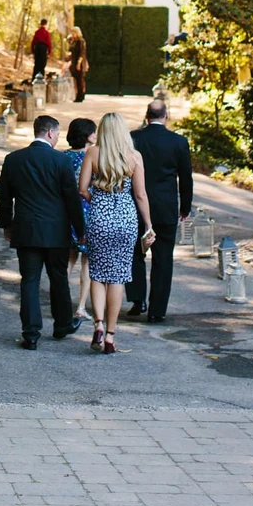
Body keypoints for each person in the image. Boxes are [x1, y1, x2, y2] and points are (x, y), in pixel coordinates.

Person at [0, 113, 86, 349]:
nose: (58, 138)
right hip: (56, 230)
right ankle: (62, 324)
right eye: (57, 134)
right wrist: (80, 229)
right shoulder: (61, 161)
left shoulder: (13, 159)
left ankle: (31, 333)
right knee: (58, 278)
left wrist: (7, 225)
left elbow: (5, 197)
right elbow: (71, 199)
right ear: (50, 133)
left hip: (26, 230)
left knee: (29, 280)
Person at [79, 112, 154, 354]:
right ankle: (110, 336)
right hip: (125, 220)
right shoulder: (134, 156)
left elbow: (81, 189)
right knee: (118, 277)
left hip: (100, 218)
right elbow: (141, 195)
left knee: (98, 274)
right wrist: (149, 224)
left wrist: (98, 200)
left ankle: (98, 323)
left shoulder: (93, 153)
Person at [126, 98, 192, 324]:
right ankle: (157, 311)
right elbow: (185, 178)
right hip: (165, 208)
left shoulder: (134, 138)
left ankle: (137, 299)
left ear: (147, 117)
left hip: (135, 204)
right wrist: (185, 207)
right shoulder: (178, 142)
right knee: (163, 259)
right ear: (166, 117)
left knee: (135, 253)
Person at [65, 118, 97, 319]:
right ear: (86, 134)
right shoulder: (92, 156)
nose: (95, 135)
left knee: (68, 259)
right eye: (93, 132)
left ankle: (60, 302)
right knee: (87, 262)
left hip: (68, 210)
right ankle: (81, 307)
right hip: (89, 208)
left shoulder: (63, 156)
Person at [68, 26, 88, 102]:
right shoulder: (74, 41)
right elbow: (71, 50)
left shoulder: (81, 41)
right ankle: (78, 95)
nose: (72, 34)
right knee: (76, 80)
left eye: (73, 32)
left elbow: (82, 53)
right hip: (74, 62)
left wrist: (79, 63)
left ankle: (80, 96)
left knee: (80, 80)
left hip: (79, 62)